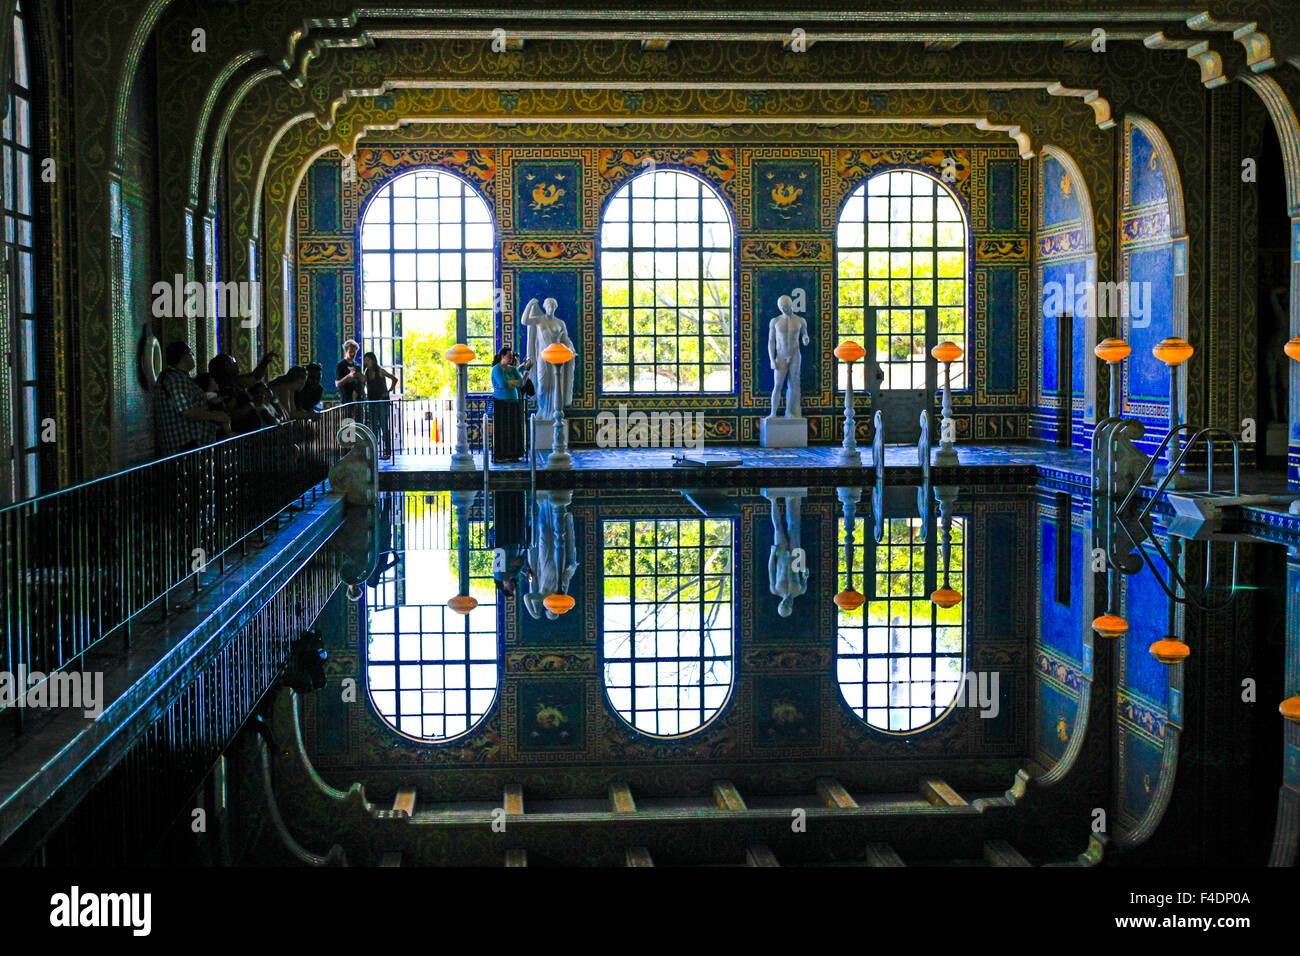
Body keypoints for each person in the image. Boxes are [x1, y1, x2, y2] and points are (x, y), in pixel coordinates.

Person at [154, 341, 230, 456]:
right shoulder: (172, 379)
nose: (193, 356)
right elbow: (186, 410)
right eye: (191, 354)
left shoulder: (182, 378)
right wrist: (215, 416)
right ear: (184, 357)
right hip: (185, 447)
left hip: (195, 447)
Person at [490, 346, 530, 462]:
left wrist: (511, 383)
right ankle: (500, 456)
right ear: (503, 356)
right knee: (502, 430)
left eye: (512, 356)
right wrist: (513, 383)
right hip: (501, 403)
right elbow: (502, 384)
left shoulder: (513, 369)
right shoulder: (496, 369)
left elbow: (522, 383)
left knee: (515, 430)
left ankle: (514, 455)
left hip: (514, 402)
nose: (511, 358)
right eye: (509, 356)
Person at [362, 351, 398, 459]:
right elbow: (363, 384)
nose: (366, 362)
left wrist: (388, 391)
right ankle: (374, 452)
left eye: (368, 359)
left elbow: (394, 379)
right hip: (372, 402)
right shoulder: (366, 372)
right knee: (373, 428)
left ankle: (387, 452)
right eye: (365, 360)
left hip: (382, 402)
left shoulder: (380, 371)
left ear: (373, 360)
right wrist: (365, 396)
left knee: (384, 426)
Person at [336, 340, 366, 405]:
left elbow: (362, 382)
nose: (352, 354)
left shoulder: (357, 366)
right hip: (346, 401)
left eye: (354, 352)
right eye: (350, 352)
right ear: (346, 352)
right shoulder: (341, 365)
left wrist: (362, 377)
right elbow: (337, 384)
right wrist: (349, 376)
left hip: (358, 400)